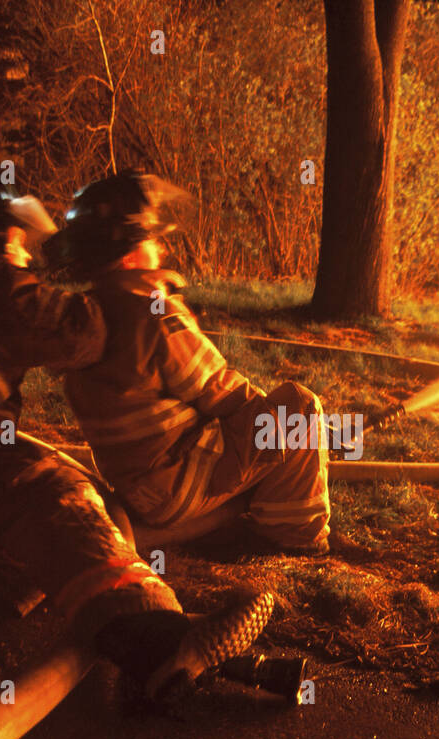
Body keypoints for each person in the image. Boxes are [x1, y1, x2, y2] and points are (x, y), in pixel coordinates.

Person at [0, 173, 273, 699]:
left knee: (9, 528)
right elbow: (80, 335)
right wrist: (130, 290)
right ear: (3, 236)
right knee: (59, 497)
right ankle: (159, 643)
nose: (27, 252)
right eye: (22, 240)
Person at [51, 171, 332, 556]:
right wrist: (283, 436)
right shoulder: (155, 313)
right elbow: (222, 392)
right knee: (299, 407)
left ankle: (243, 511)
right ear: (130, 252)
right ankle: (298, 537)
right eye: (152, 240)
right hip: (179, 486)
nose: (161, 250)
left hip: (137, 493)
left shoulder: (89, 318)